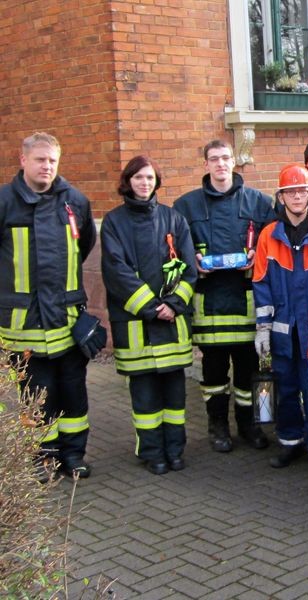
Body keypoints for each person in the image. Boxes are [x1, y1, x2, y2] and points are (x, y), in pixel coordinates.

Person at [0, 132, 97, 479]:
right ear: (23, 160)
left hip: (68, 322)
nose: (47, 166)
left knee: (74, 396)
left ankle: (73, 456)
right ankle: (42, 457)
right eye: (40, 159)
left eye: (53, 160)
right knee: (36, 397)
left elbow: (85, 245)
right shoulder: (4, 202)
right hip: (23, 325)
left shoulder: (75, 202)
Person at [174, 140, 275, 454]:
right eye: (214, 159)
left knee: (252, 372)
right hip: (209, 304)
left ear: (235, 161)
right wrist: (190, 262)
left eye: (225, 158)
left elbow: (274, 245)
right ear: (205, 164)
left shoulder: (260, 203)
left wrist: (259, 253)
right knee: (213, 374)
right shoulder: (186, 206)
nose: (220, 164)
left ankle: (252, 425)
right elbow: (173, 250)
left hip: (247, 304)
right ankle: (217, 425)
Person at [101, 156, 197, 474]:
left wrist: (174, 304)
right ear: (127, 181)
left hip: (172, 323)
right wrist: (153, 308)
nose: (145, 183)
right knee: (144, 396)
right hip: (137, 324)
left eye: (150, 177)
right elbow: (117, 271)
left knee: (174, 394)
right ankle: (152, 452)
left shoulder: (173, 219)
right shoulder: (114, 222)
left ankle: (175, 449)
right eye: (139, 177)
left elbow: (189, 270)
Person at [253, 164, 308, 472]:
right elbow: (260, 282)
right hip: (281, 333)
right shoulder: (268, 237)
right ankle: (290, 443)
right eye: (291, 192)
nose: (297, 197)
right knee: (286, 389)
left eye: (302, 191)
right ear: (281, 197)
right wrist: (262, 329)